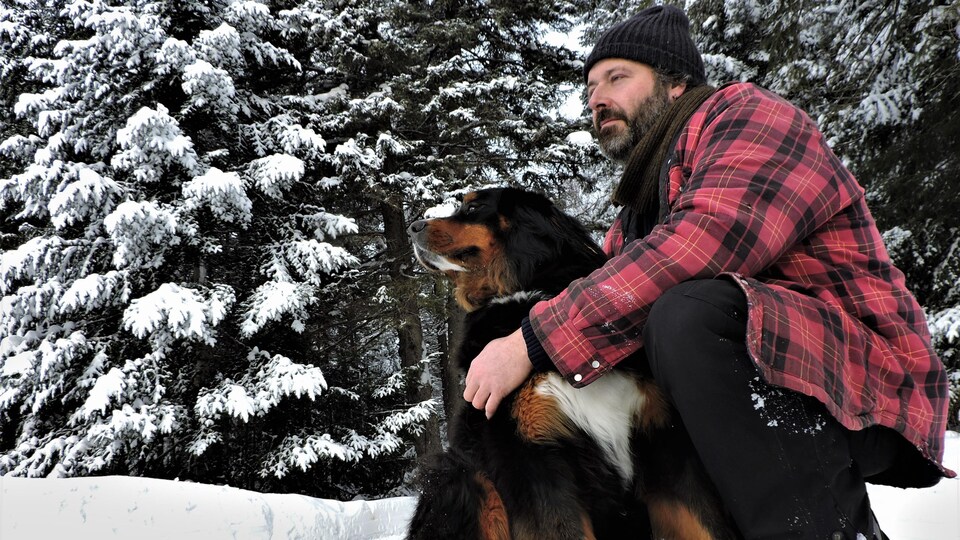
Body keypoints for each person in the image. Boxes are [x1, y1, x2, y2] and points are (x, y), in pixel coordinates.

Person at [461, 4, 955, 539]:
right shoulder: (632, 220)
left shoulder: (748, 118)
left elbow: (705, 245)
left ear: (674, 83)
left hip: (860, 378)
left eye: (617, 77)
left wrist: (530, 343)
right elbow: (614, 299)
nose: (597, 98)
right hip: (759, 388)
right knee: (637, 360)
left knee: (685, 314)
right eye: (590, 87)